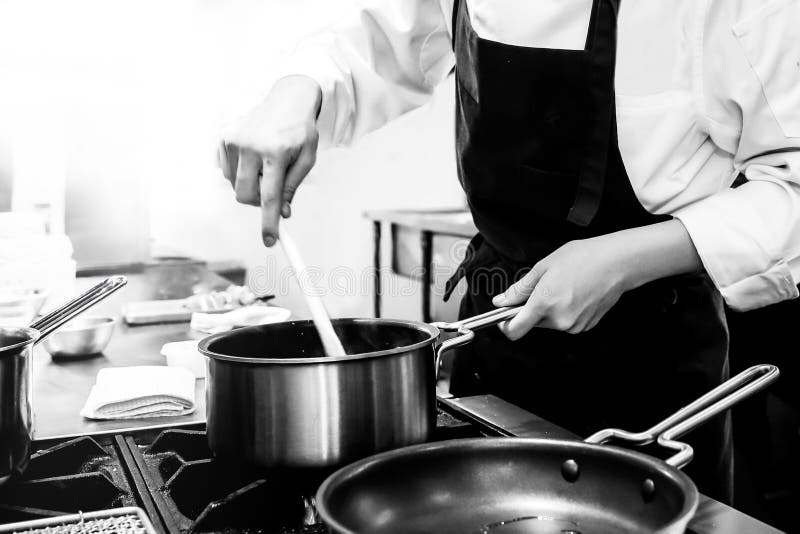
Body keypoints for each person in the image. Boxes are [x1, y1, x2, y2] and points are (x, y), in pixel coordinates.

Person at [219, 0, 800, 504]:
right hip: (497, 338)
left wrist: (622, 260)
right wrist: (296, 93)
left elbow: (791, 188)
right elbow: (373, 39)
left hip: (653, 355)